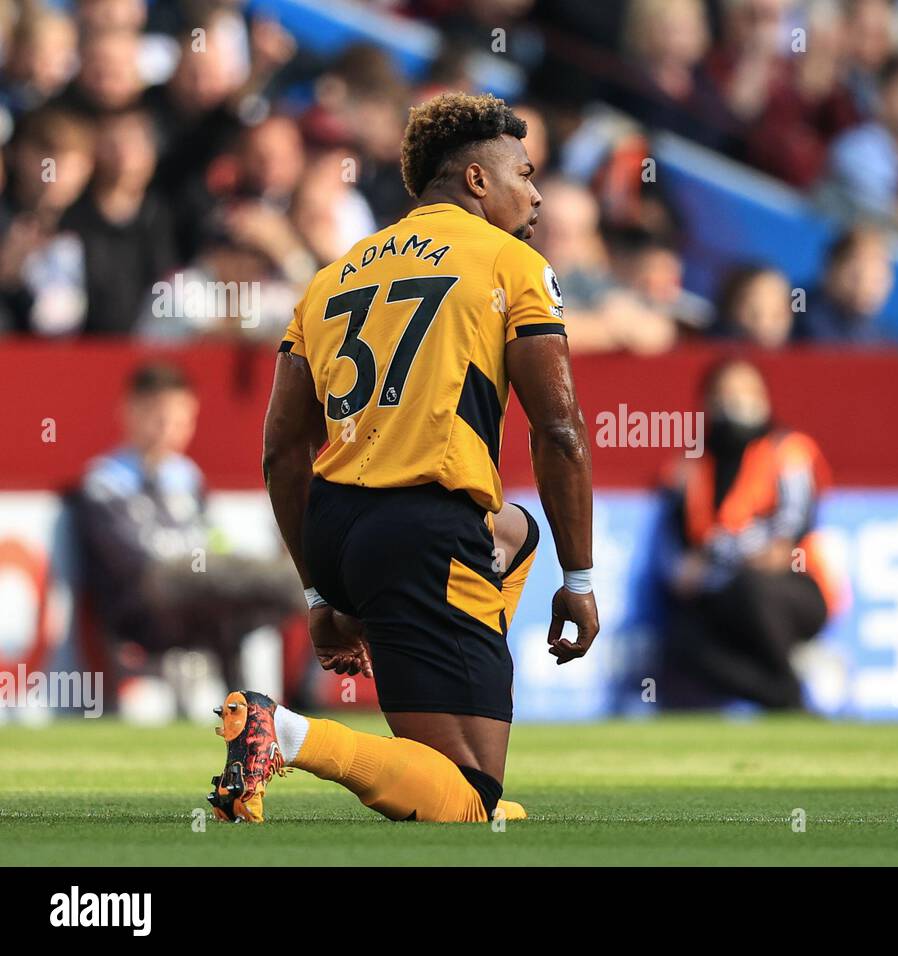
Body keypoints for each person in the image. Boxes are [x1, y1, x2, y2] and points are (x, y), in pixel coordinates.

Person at [210, 92, 598, 825]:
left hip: (340, 526)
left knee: (513, 532)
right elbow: (561, 432)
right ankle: (285, 734)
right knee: (466, 802)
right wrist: (579, 579)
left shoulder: (332, 276)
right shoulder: (511, 264)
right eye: (525, 171)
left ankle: (448, 739)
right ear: (477, 181)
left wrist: (321, 595)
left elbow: (281, 451)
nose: (537, 192)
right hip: (422, 530)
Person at [74, 363, 300, 691]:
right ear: (129, 411)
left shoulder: (187, 476)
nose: (168, 430)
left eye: (182, 421)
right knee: (217, 579)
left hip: (202, 597)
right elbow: (135, 566)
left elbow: (213, 539)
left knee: (235, 596)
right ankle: (300, 585)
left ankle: (248, 707)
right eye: (159, 417)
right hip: (144, 604)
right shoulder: (103, 481)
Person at [658, 358, 837, 710]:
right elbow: (676, 554)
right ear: (707, 403)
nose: (737, 402)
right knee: (682, 640)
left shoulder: (787, 451)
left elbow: (790, 529)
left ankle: (787, 682)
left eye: (747, 392)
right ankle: (784, 695)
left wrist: (738, 553)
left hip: (791, 586)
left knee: (753, 589)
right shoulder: (688, 469)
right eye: (726, 393)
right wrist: (692, 570)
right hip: (722, 591)